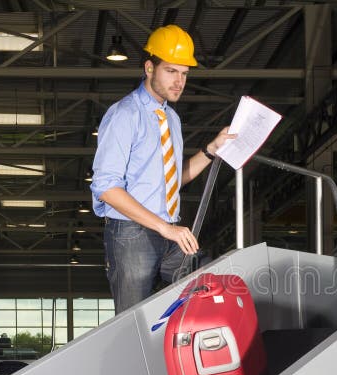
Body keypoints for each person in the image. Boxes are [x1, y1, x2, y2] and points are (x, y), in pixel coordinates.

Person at [91, 25, 235, 313]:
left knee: (209, 287)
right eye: (171, 71)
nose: (179, 81)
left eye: (184, 74)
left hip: (167, 231)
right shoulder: (125, 114)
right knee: (132, 325)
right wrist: (165, 228)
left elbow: (171, 179)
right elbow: (106, 187)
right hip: (131, 233)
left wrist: (212, 149)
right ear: (149, 68)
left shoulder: (171, 119)